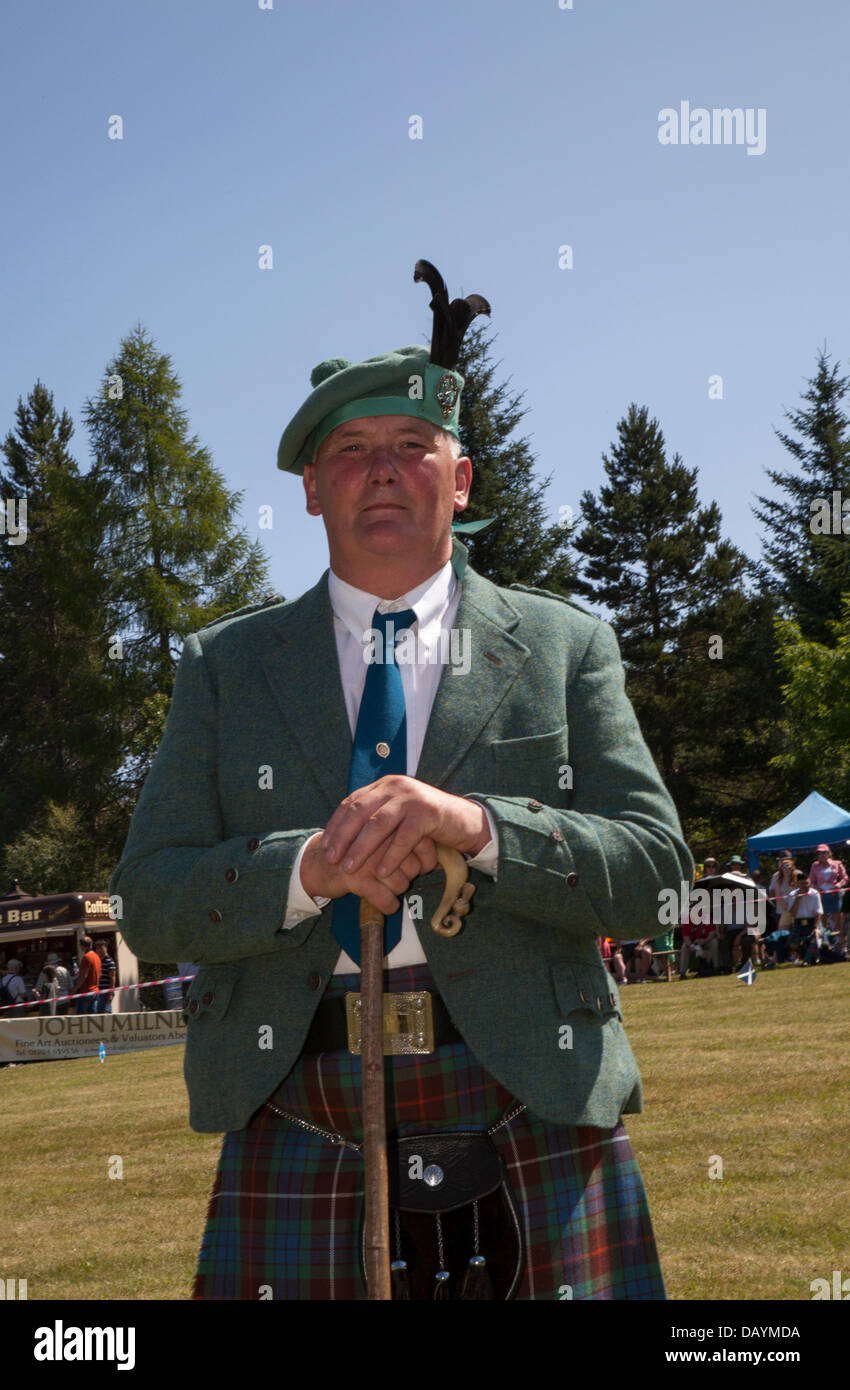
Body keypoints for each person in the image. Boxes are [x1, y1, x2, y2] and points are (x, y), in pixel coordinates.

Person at [111, 258, 693, 1301]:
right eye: (349, 451)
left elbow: (653, 870)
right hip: (299, 1110)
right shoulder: (222, 666)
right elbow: (151, 901)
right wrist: (309, 868)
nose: (381, 471)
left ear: (458, 480)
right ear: (309, 487)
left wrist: (473, 825)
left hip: (531, 1100)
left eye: (411, 448)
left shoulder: (564, 647)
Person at [808, 844, 848, 938]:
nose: (821, 855)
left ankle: (840, 945)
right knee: (823, 922)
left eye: (823, 853)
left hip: (834, 895)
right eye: (818, 853)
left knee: (837, 922)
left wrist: (837, 886)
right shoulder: (815, 865)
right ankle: (826, 944)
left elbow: (845, 878)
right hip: (821, 895)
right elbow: (811, 881)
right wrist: (816, 888)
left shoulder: (837, 863)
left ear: (828, 853)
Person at [74, 936, 100, 1014]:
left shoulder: (86, 957)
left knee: (81, 1017)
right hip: (95, 990)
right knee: (93, 1018)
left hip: (86, 991)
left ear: (82, 946)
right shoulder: (96, 956)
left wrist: (76, 988)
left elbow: (83, 975)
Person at [93, 940, 117, 1014]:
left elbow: (112, 977)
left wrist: (110, 993)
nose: (99, 950)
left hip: (106, 991)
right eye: (97, 949)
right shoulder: (98, 961)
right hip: (98, 991)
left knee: (106, 1012)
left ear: (106, 948)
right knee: (99, 1012)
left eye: (101, 948)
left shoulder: (109, 961)